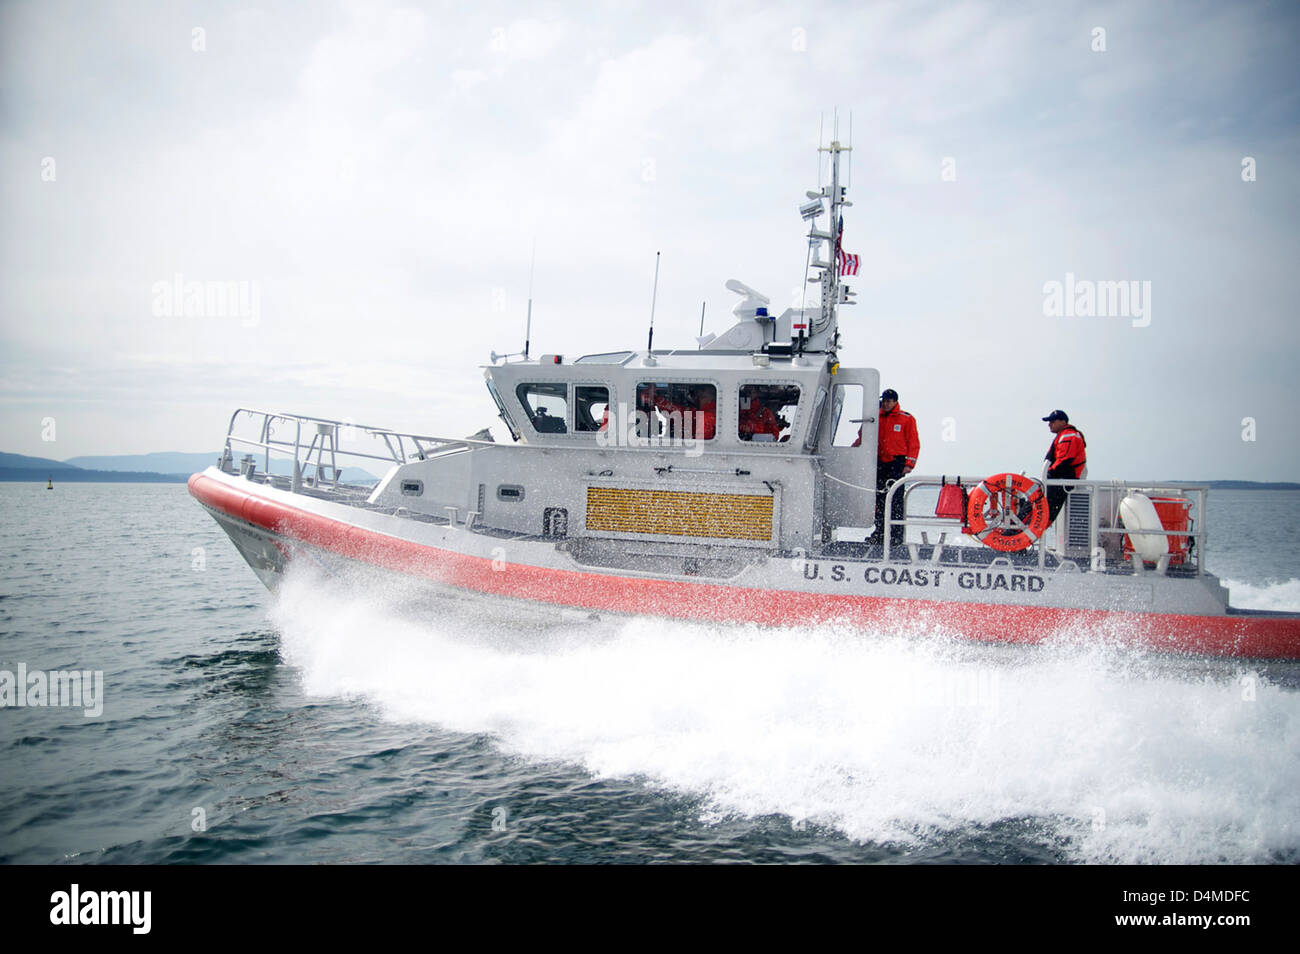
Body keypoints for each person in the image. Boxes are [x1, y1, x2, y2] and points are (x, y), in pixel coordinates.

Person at [867, 388, 919, 547]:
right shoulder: (876, 418)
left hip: (896, 463)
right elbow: (863, 435)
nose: (886, 403)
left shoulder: (906, 419)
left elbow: (913, 443)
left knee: (895, 500)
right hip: (879, 463)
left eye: (889, 401)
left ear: (895, 402)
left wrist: (909, 464)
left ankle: (896, 535)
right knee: (879, 500)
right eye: (884, 400)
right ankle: (880, 533)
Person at [1042, 409, 1086, 523]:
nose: (1049, 424)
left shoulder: (1068, 435)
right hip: (1061, 479)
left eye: (1052, 421)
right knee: (1042, 507)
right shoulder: (1065, 435)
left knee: (1046, 510)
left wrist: (1051, 473)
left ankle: (1018, 531)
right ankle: (1020, 526)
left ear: (1062, 422)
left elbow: (1064, 460)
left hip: (1063, 480)